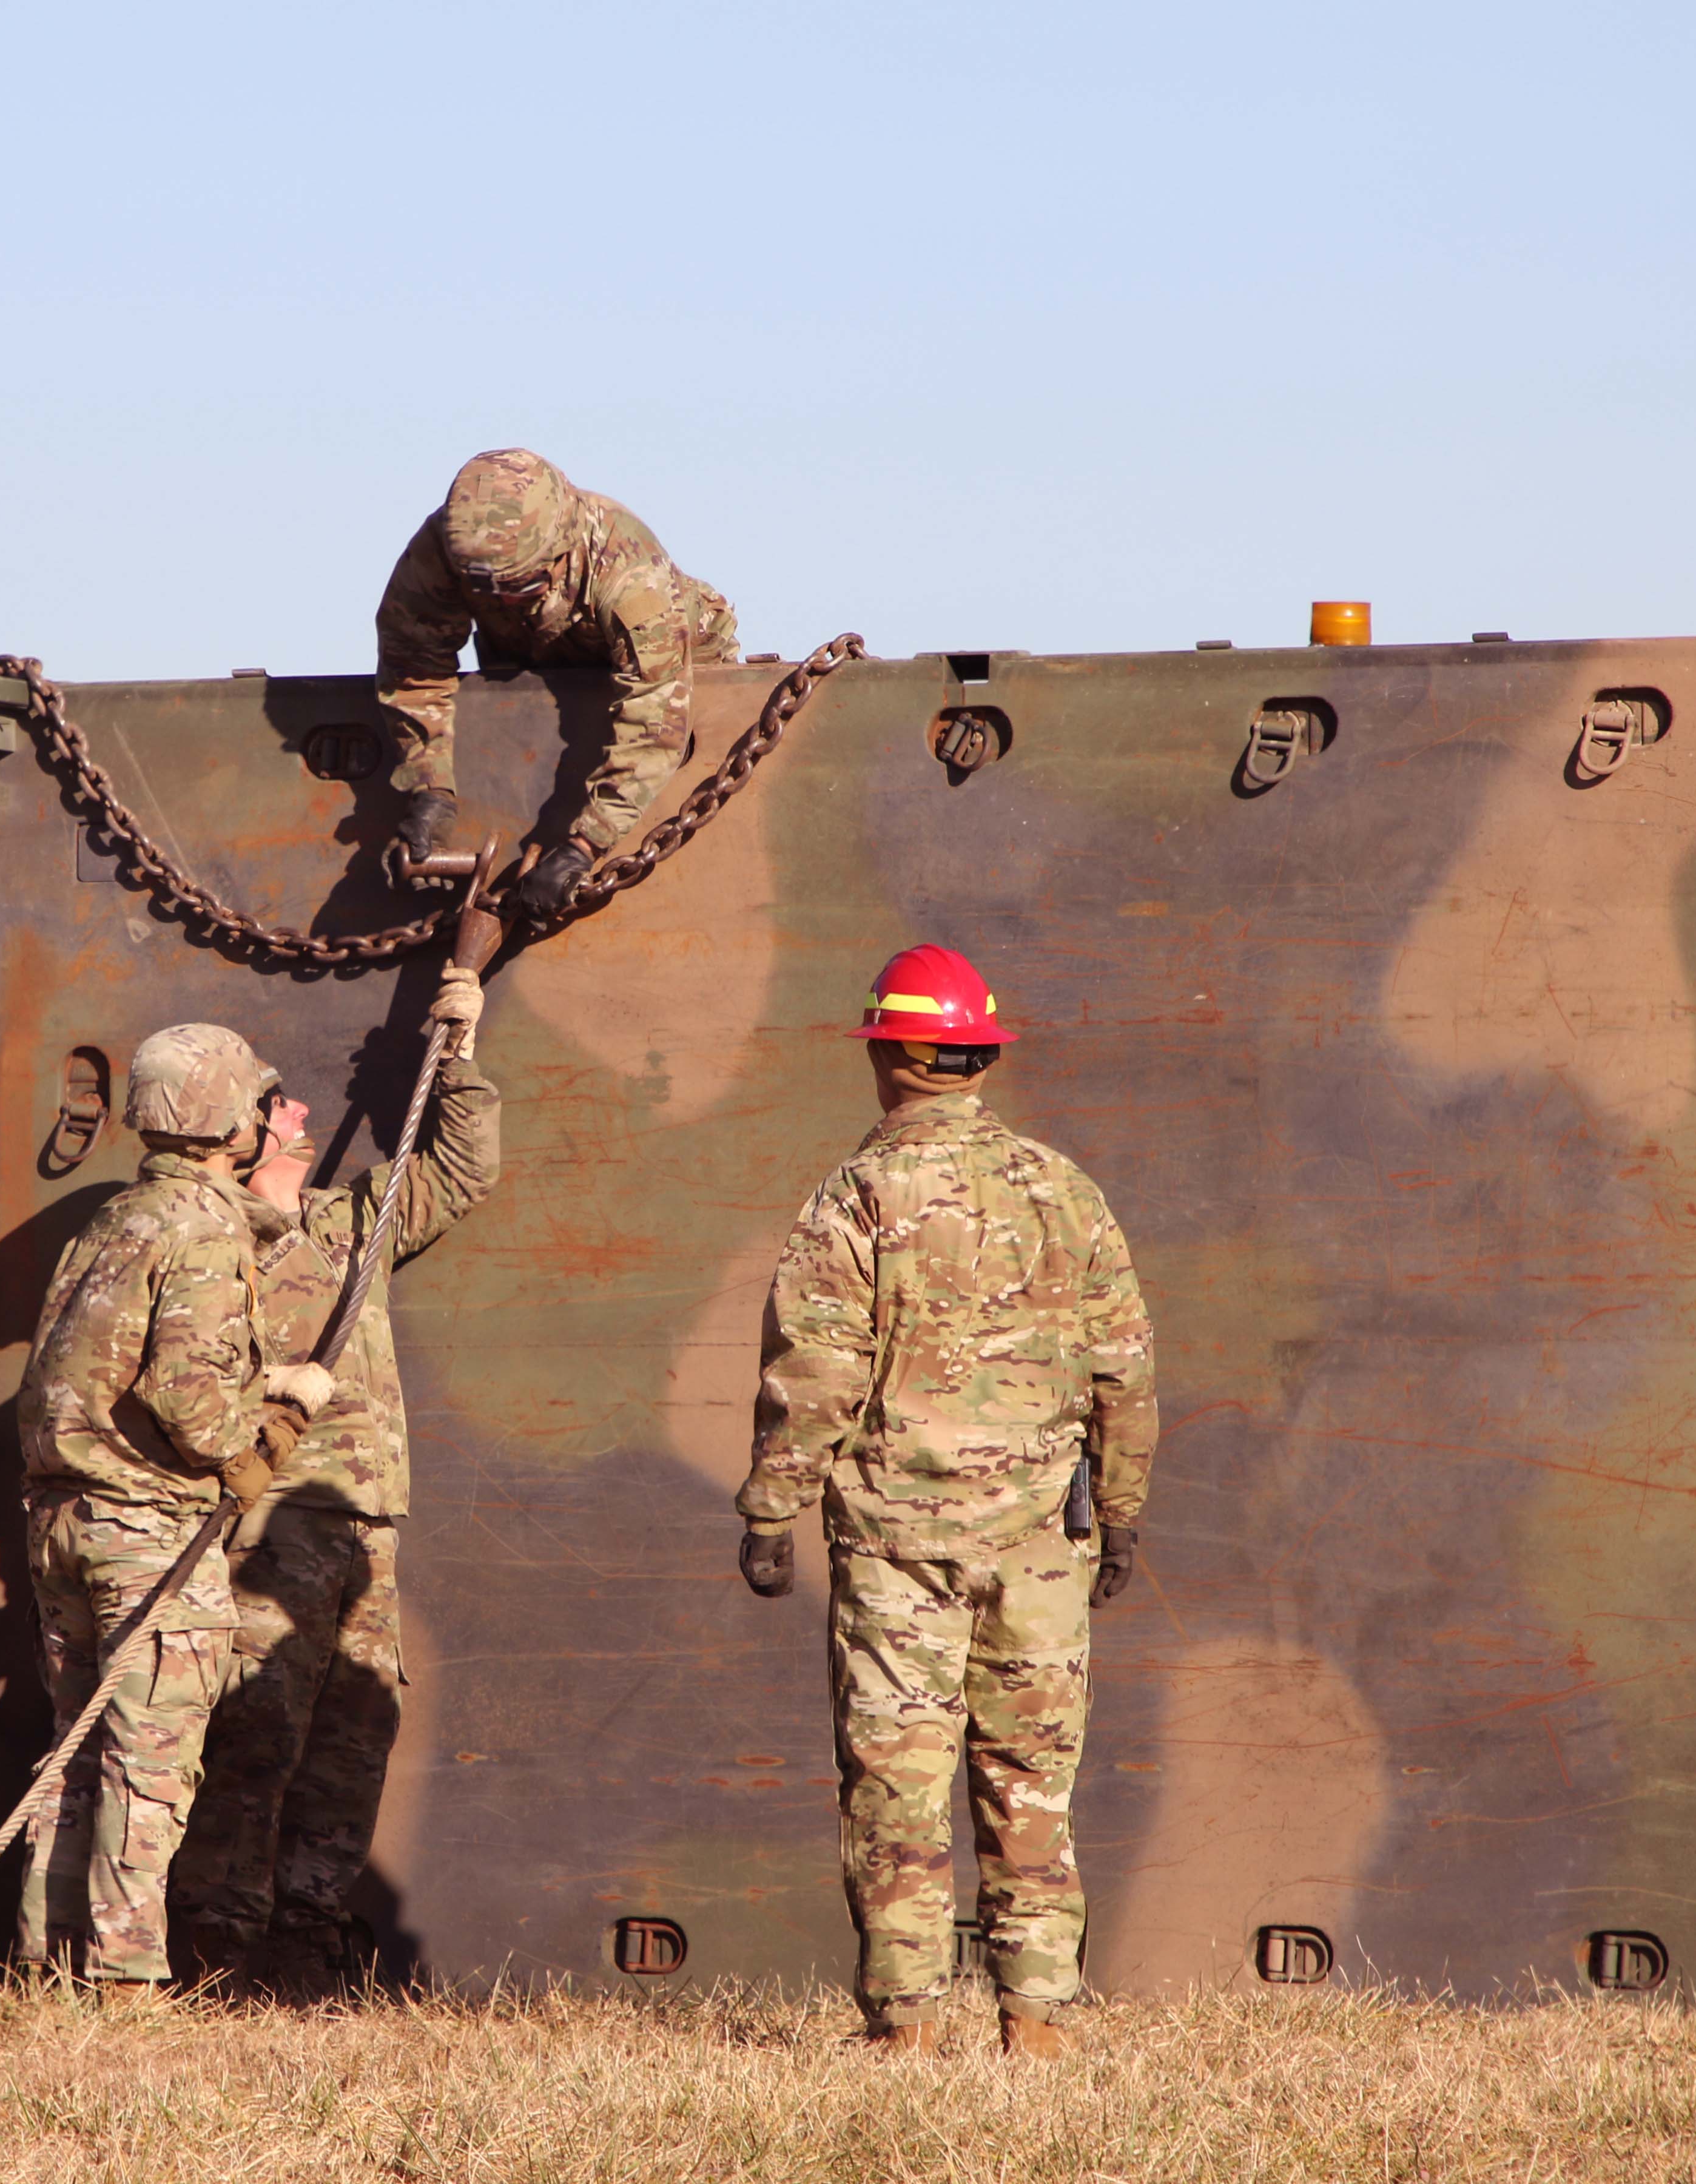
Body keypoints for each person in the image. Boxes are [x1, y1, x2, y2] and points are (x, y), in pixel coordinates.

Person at [735, 945, 1156, 2057]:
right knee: (1031, 1781)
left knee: (897, 1785)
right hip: (1040, 1545)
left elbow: (816, 1369)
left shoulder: (860, 1196)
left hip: (897, 1549)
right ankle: (1040, 2018)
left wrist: (773, 1507)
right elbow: (1125, 1366)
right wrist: (1120, 1511)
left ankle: (911, 2028)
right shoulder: (1066, 1189)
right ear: (976, 1058)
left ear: (891, 1056)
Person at [170, 968, 497, 1994]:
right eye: (278, 1105)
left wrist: (462, 1056)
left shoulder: (349, 1221)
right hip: (262, 1528)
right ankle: (221, 1950)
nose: (301, 1114)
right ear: (233, 1126)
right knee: (253, 1738)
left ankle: (307, 1941)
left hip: (361, 1529)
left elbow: (462, 1171)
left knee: (355, 1734)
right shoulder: (202, 1243)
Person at [16, 1022, 331, 1997]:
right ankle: (121, 1988)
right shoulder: (203, 1230)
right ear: (228, 1118)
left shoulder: (116, 1219)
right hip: (147, 1532)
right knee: (147, 1768)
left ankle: (48, 1967)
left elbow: (100, 1363)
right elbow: (190, 1404)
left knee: (73, 1756)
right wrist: (278, 1415)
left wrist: (254, 1381)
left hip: (66, 1522)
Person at [375, 448, 741, 919]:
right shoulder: (445, 551)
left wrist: (585, 846)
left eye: (518, 587)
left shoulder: (629, 572)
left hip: (676, 664)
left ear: (559, 549)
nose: (500, 601)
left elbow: (656, 715)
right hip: (535, 660)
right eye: (484, 594)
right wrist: (430, 790)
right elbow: (413, 667)